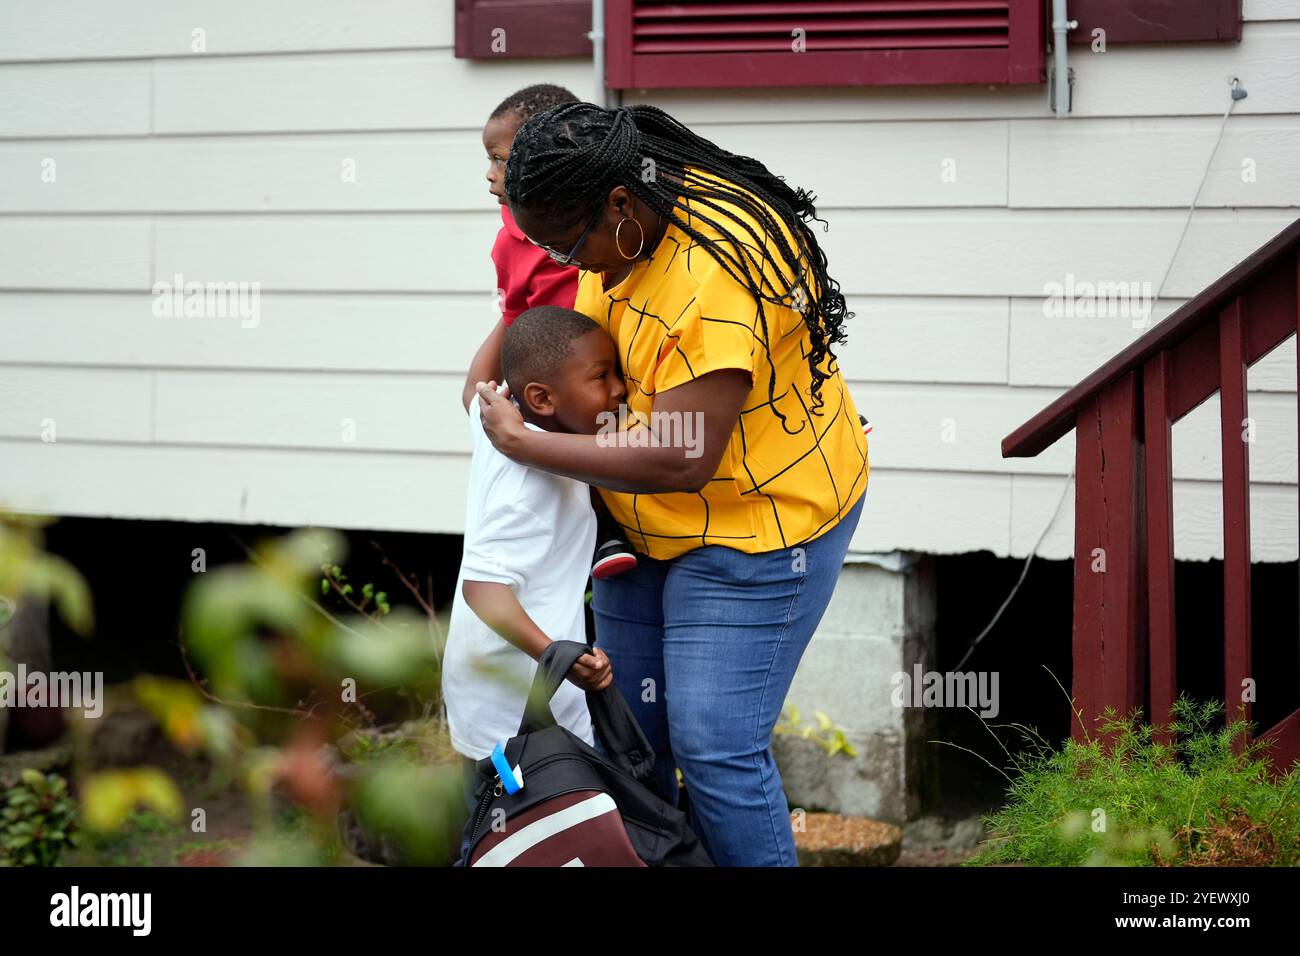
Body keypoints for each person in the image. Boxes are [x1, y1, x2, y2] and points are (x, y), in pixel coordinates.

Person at [474, 102, 870, 866]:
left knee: (715, 748)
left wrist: (526, 443)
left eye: (566, 242)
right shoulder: (622, 226)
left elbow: (685, 455)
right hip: (641, 530)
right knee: (632, 740)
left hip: (758, 528)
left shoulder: (717, 273)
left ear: (620, 203)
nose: (565, 265)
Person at [446, 305, 622, 863]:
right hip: (517, 701)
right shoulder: (528, 484)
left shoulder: (502, 416)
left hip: (496, 691)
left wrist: (511, 306)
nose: (620, 390)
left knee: (500, 837)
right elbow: (484, 588)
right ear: (543, 399)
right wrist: (558, 657)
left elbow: (474, 386)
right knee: (517, 843)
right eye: (601, 377)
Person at [467, 83, 636, 579]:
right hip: (568, 361)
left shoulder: (600, 210)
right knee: (561, 420)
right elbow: (516, 316)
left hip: (616, 340)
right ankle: (602, 530)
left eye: (499, 160)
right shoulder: (513, 236)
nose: (490, 174)